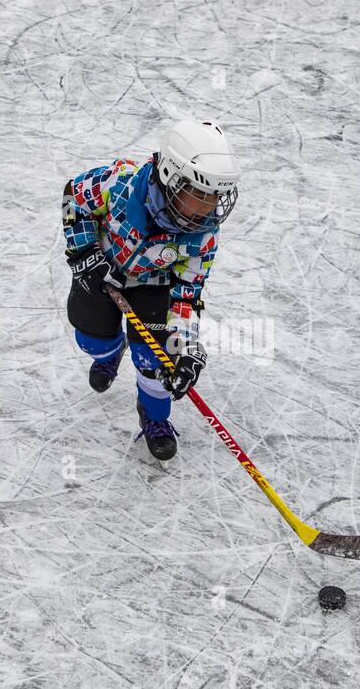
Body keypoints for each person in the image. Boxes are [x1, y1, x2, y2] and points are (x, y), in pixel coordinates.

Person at [63, 119, 240, 461]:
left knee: (159, 363)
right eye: (199, 196)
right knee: (91, 341)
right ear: (171, 179)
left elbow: (187, 294)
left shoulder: (203, 237)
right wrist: (84, 253)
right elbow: (74, 198)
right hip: (100, 270)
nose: (208, 209)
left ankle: (154, 417)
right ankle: (111, 351)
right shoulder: (120, 184)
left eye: (215, 197)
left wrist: (186, 346)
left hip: (154, 286)